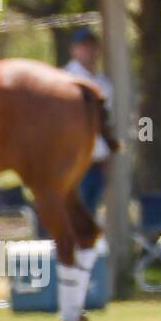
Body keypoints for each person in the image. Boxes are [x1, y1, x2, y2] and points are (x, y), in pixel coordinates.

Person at [63, 27, 112, 219]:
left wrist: (108, 154)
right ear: (73, 50)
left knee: (89, 214)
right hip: (73, 162)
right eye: (83, 46)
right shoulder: (65, 80)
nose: (89, 51)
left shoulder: (103, 83)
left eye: (92, 46)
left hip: (97, 162)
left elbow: (107, 123)